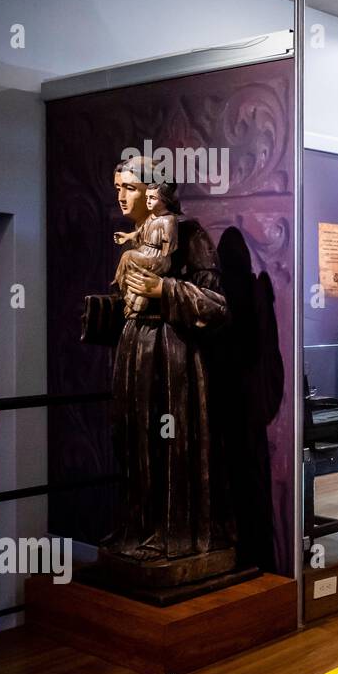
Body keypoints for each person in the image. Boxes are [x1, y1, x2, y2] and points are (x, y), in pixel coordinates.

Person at [83, 155, 233, 575]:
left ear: (153, 193)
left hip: (173, 358)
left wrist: (163, 289)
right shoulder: (139, 238)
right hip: (134, 351)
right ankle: (138, 529)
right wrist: (108, 312)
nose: (121, 196)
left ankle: (174, 536)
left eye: (129, 187)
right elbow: (132, 300)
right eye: (117, 188)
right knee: (131, 440)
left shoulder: (188, 234)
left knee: (167, 444)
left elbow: (218, 308)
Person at [113, 178, 179, 317]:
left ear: (165, 200)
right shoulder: (152, 217)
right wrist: (127, 236)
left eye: (152, 198)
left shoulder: (168, 220)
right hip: (147, 252)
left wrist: (165, 254)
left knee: (128, 257)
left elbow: (170, 243)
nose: (148, 201)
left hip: (157, 257)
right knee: (135, 278)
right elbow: (140, 233)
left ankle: (119, 283)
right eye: (147, 197)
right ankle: (130, 298)